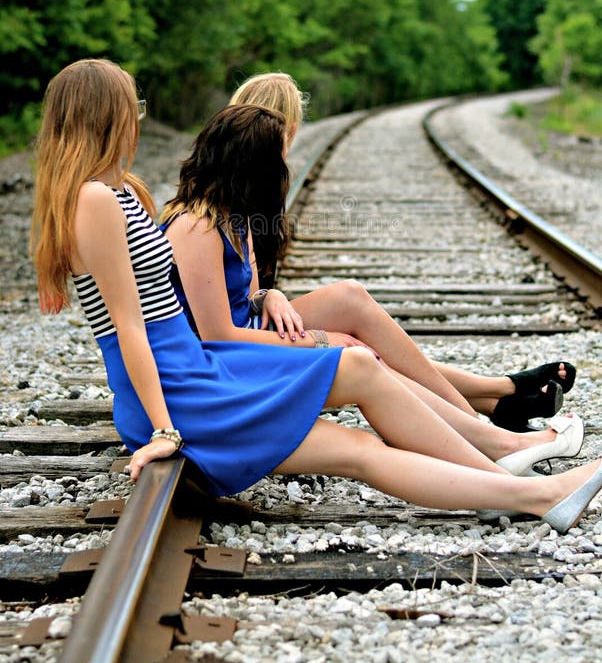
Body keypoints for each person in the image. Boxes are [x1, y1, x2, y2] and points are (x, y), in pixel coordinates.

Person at [30, 57, 602, 534]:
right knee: (359, 450)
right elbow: (130, 328)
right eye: (133, 108)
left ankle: (517, 479)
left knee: (361, 368)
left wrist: (267, 299)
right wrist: (163, 430)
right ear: (108, 117)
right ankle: (534, 493)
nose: (138, 120)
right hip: (180, 391)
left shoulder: (120, 191)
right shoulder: (94, 201)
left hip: (198, 367)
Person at [161, 100, 574, 431]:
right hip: (222, 358)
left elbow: (247, 295)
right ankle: (488, 416)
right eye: (280, 157)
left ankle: (482, 416)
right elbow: (218, 335)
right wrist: (322, 340)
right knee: (363, 353)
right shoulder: (198, 226)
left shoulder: (233, 214)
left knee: (351, 297)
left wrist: (270, 296)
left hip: (249, 329)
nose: (284, 167)